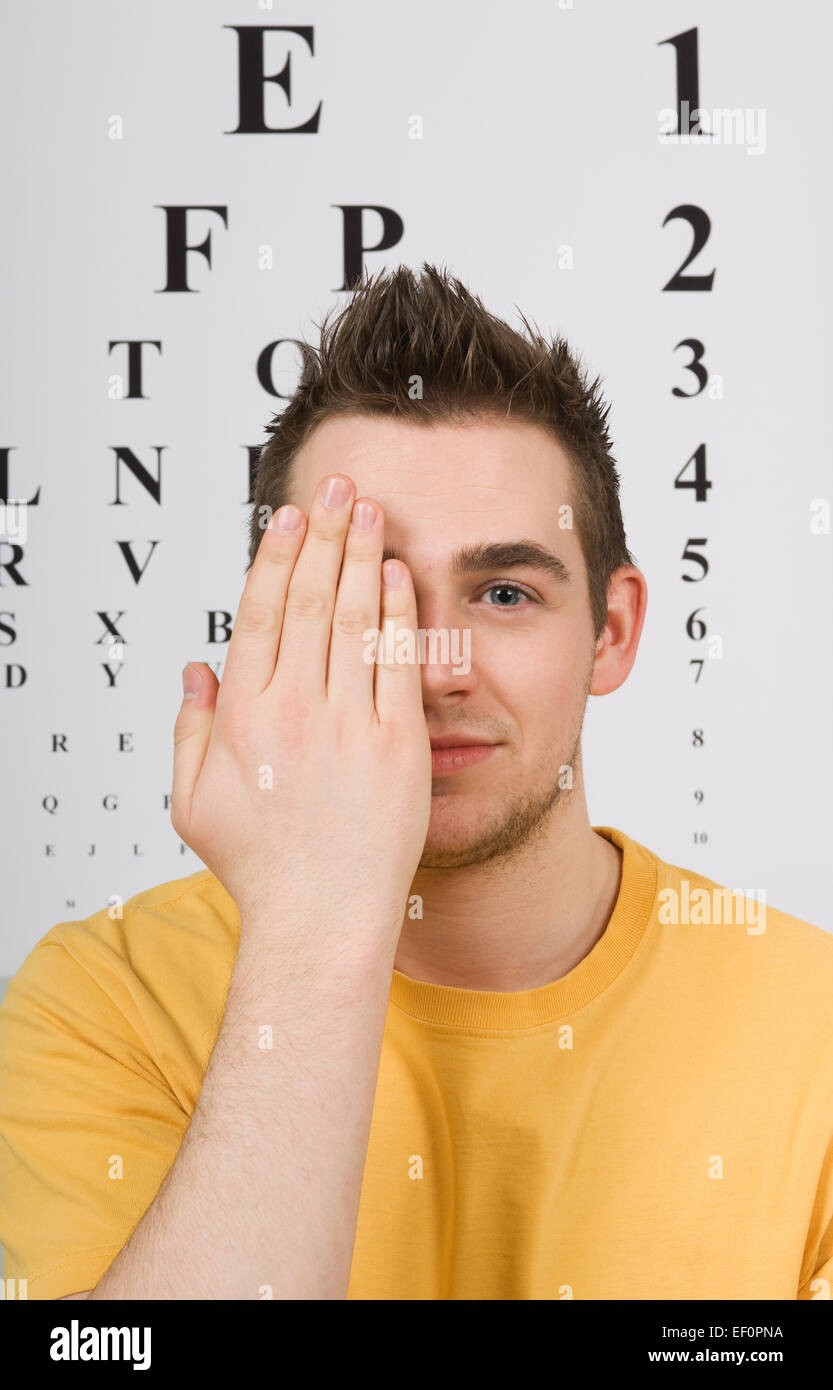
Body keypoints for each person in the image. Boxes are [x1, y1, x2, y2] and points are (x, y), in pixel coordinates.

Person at [1, 263, 831, 1301]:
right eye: (364, 590)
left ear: (610, 632)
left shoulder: (814, 1026)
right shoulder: (98, 1002)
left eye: (501, 591)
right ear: (275, 625)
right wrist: (310, 914)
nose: (436, 663)